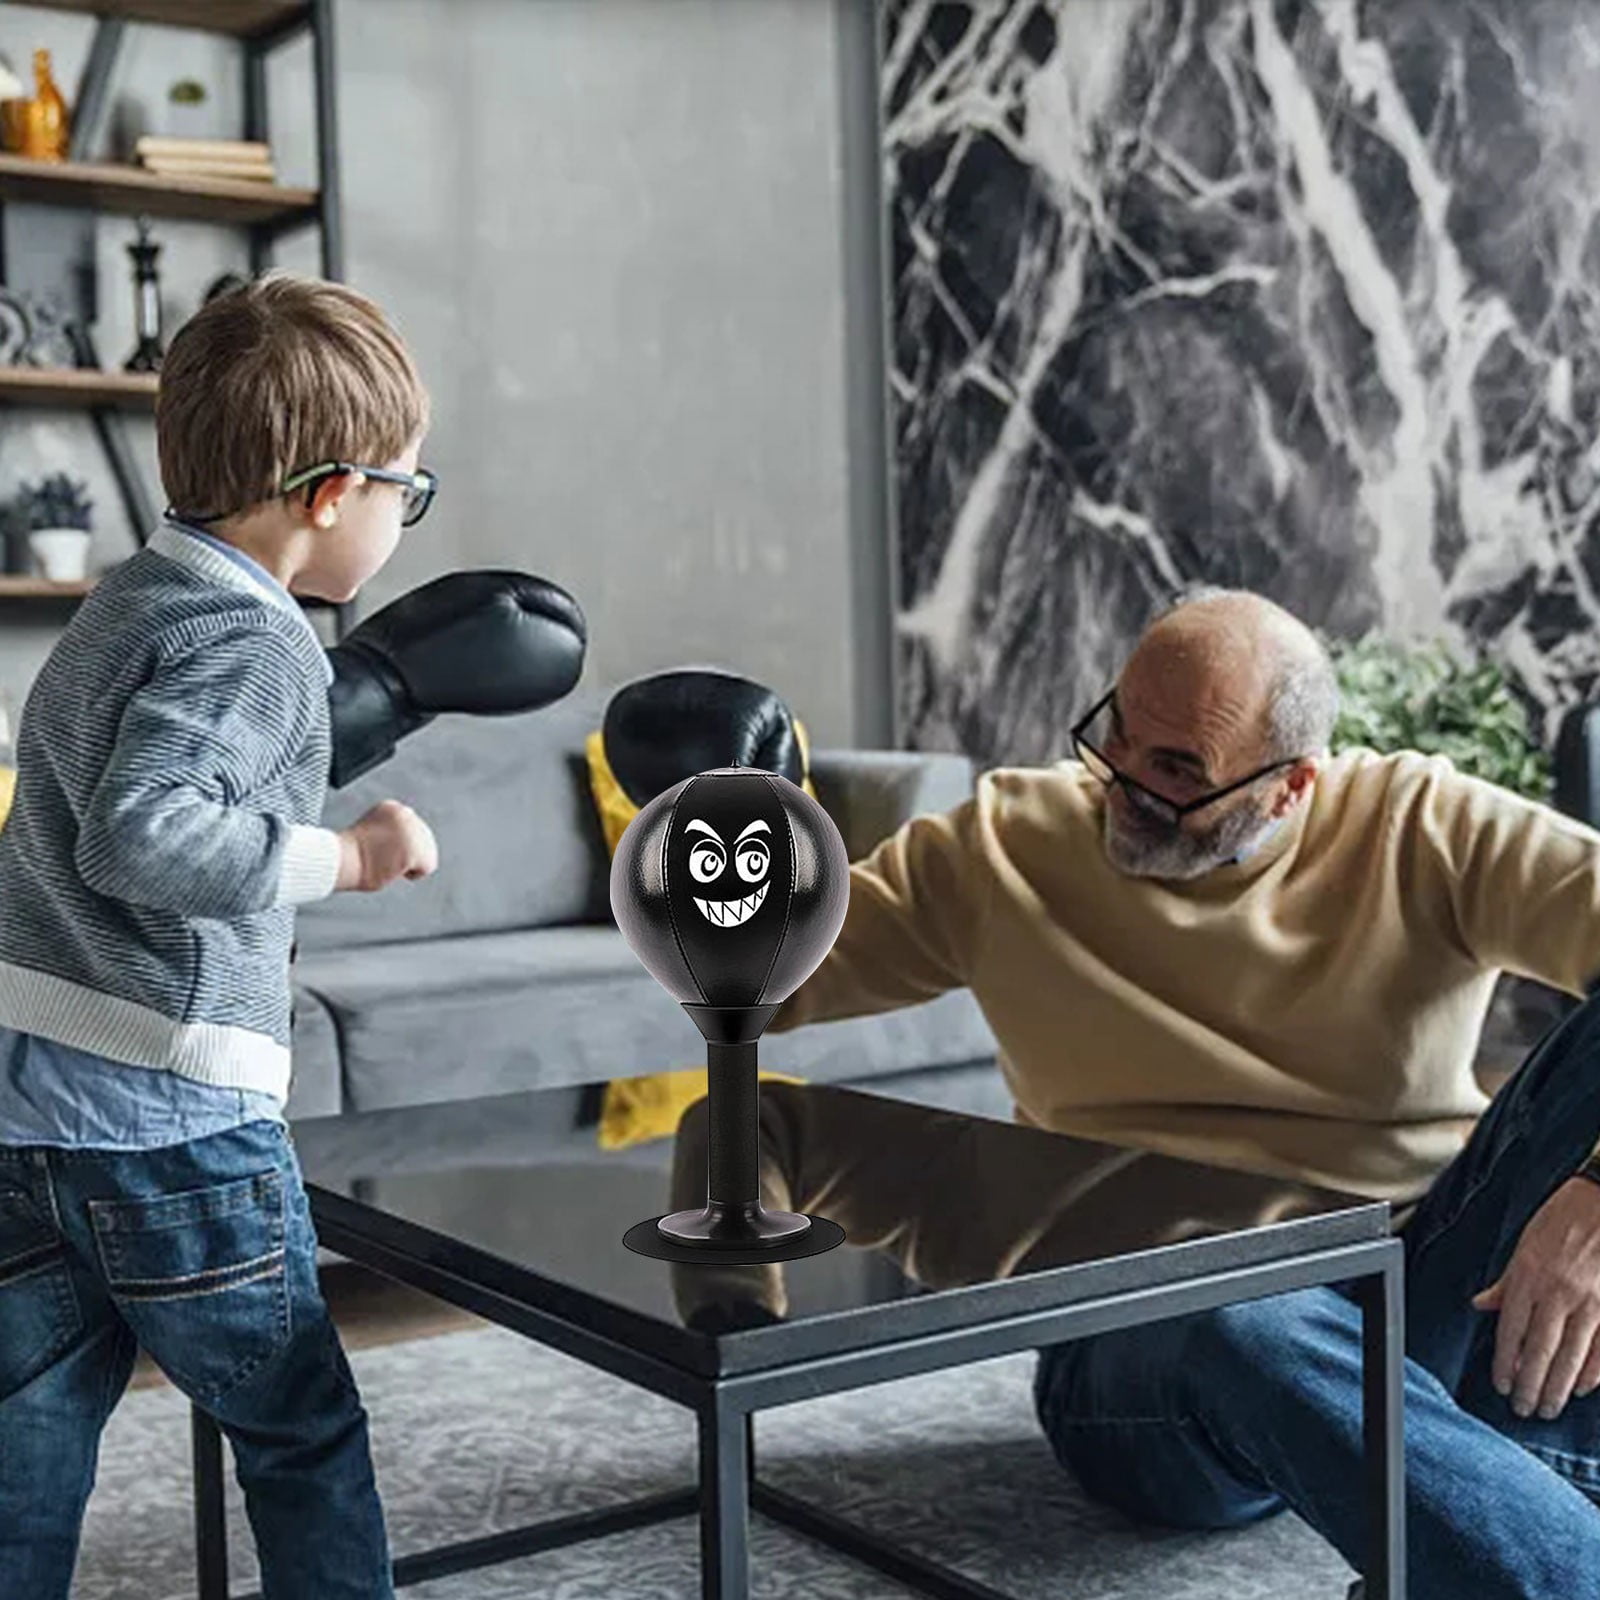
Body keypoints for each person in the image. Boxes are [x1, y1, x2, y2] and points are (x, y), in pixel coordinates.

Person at [669, 588, 1600, 1600]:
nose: (1120, 784)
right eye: (1115, 734)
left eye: (1175, 770)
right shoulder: (1003, 846)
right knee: (1237, 1311)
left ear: (1291, 788)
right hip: (1145, 1329)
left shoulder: (1418, 823)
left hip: (1406, 1268)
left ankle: (1458, 1503)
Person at [0, 271, 440, 1600]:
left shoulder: (127, 601)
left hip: (28, 1107)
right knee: (301, 1433)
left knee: (25, 1435)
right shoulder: (260, 644)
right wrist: (350, 858)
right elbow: (139, 835)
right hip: (174, 1124)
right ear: (327, 496)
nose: (402, 521)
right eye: (403, 493)